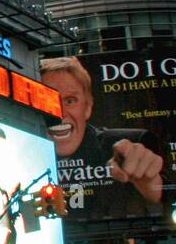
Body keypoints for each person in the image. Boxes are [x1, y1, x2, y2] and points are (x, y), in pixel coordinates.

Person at [40, 57, 165, 218]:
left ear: (88, 107)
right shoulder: (18, 154)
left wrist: (152, 187)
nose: (61, 115)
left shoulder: (130, 144)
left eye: (70, 101)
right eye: (47, 101)